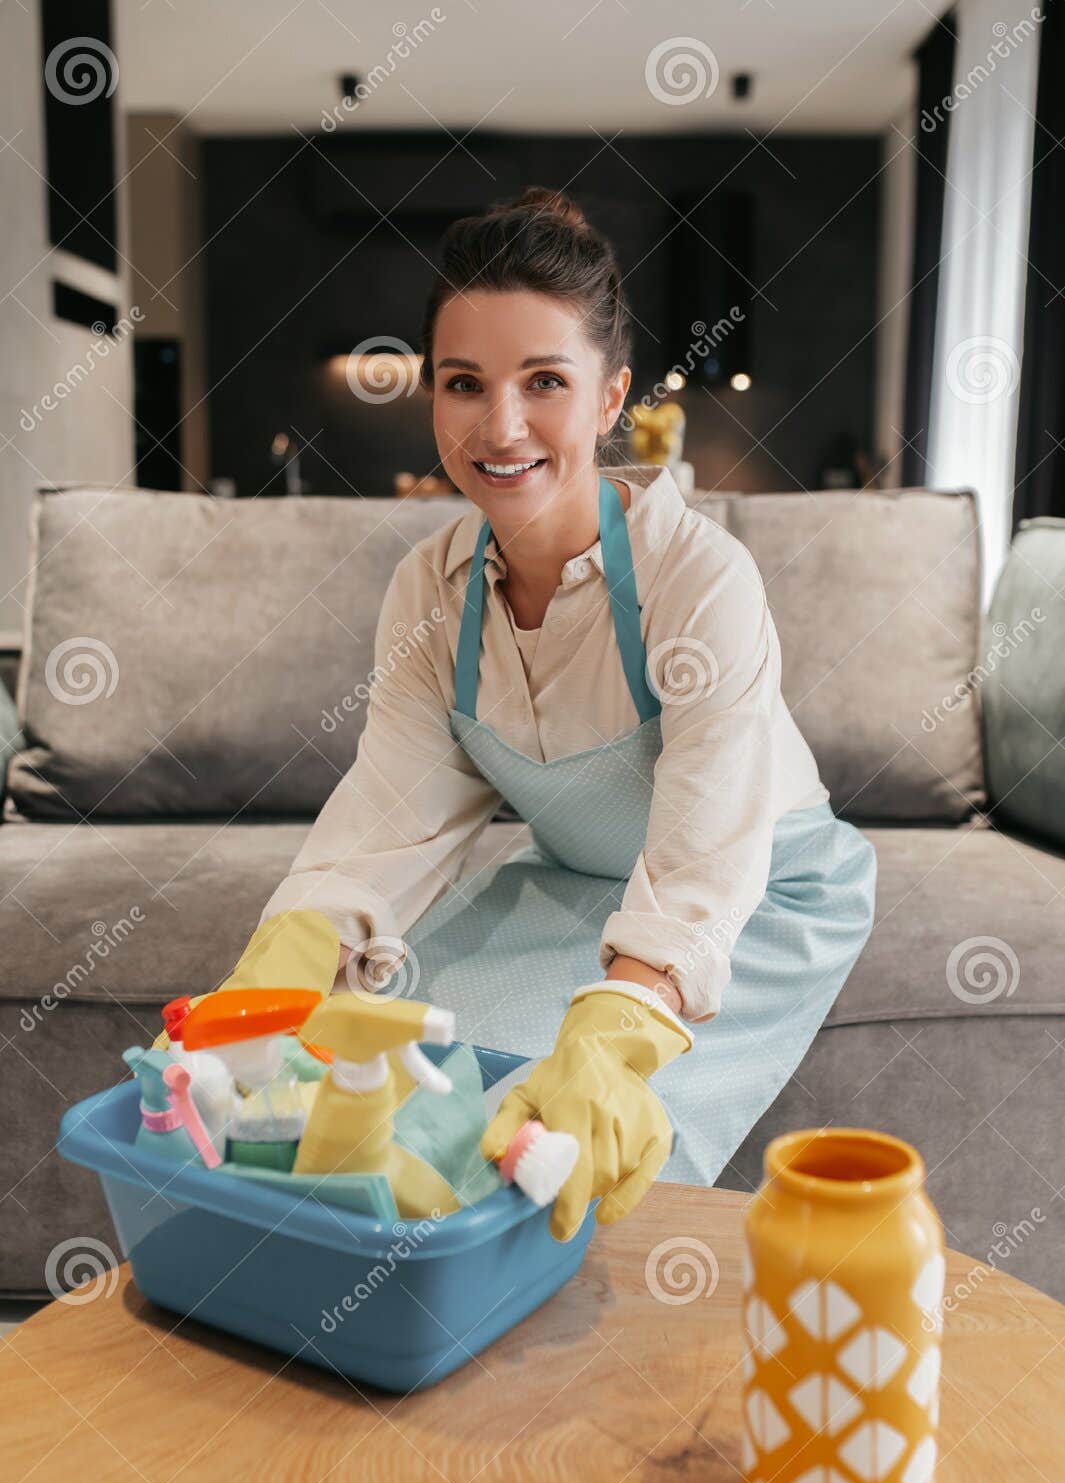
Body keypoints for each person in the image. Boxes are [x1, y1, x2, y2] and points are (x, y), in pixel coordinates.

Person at [222, 186, 878, 1243]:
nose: (502, 426)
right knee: (371, 1061)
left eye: (544, 382)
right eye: (464, 384)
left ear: (611, 396)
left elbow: (708, 845)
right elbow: (391, 817)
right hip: (570, 879)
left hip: (753, 893)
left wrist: (621, 1025)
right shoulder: (433, 592)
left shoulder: (697, 579)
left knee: (527, 1128)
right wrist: (288, 958)